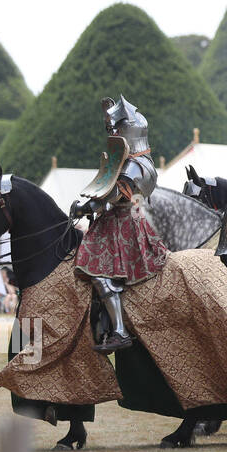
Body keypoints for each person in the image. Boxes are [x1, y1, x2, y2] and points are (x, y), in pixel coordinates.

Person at [70, 95, 166, 353]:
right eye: (110, 129)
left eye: (116, 129)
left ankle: (120, 332)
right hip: (119, 219)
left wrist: (85, 207)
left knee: (99, 273)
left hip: (123, 224)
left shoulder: (134, 166)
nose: (112, 133)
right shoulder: (131, 160)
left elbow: (114, 195)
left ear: (129, 130)